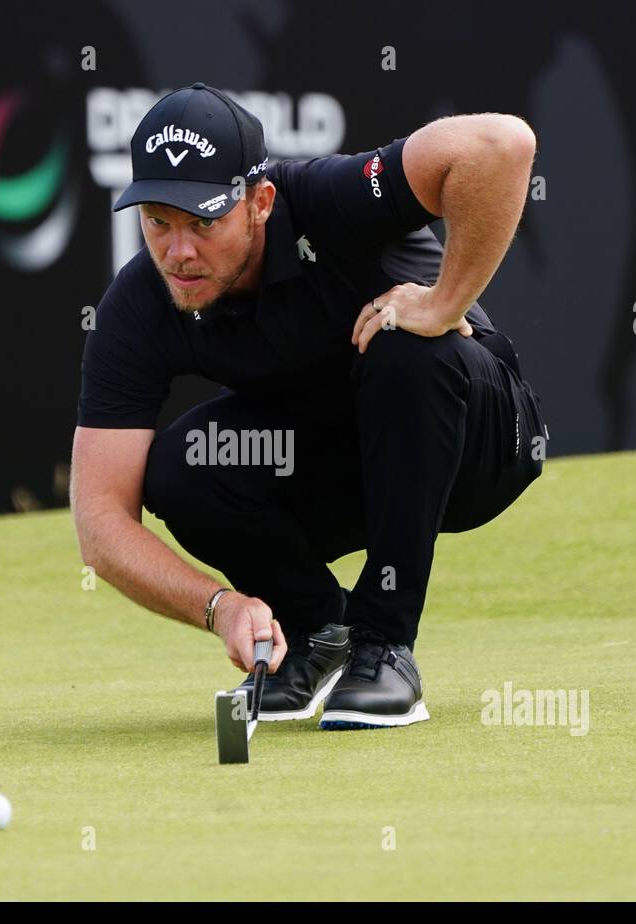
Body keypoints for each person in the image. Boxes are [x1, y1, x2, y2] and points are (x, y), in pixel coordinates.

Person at [71, 82, 546, 729]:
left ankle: (384, 650)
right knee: (184, 468)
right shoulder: (138, 305)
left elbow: (503, 145)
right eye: (158, 220)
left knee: (401, 341)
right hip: (350, 461)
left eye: (204, 221)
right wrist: (222, 606)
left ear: (259, 202)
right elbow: (99, 522)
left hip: (477, 443)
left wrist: (444, 304)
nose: (179, 251)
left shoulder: (330, 198)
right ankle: (325, 633)